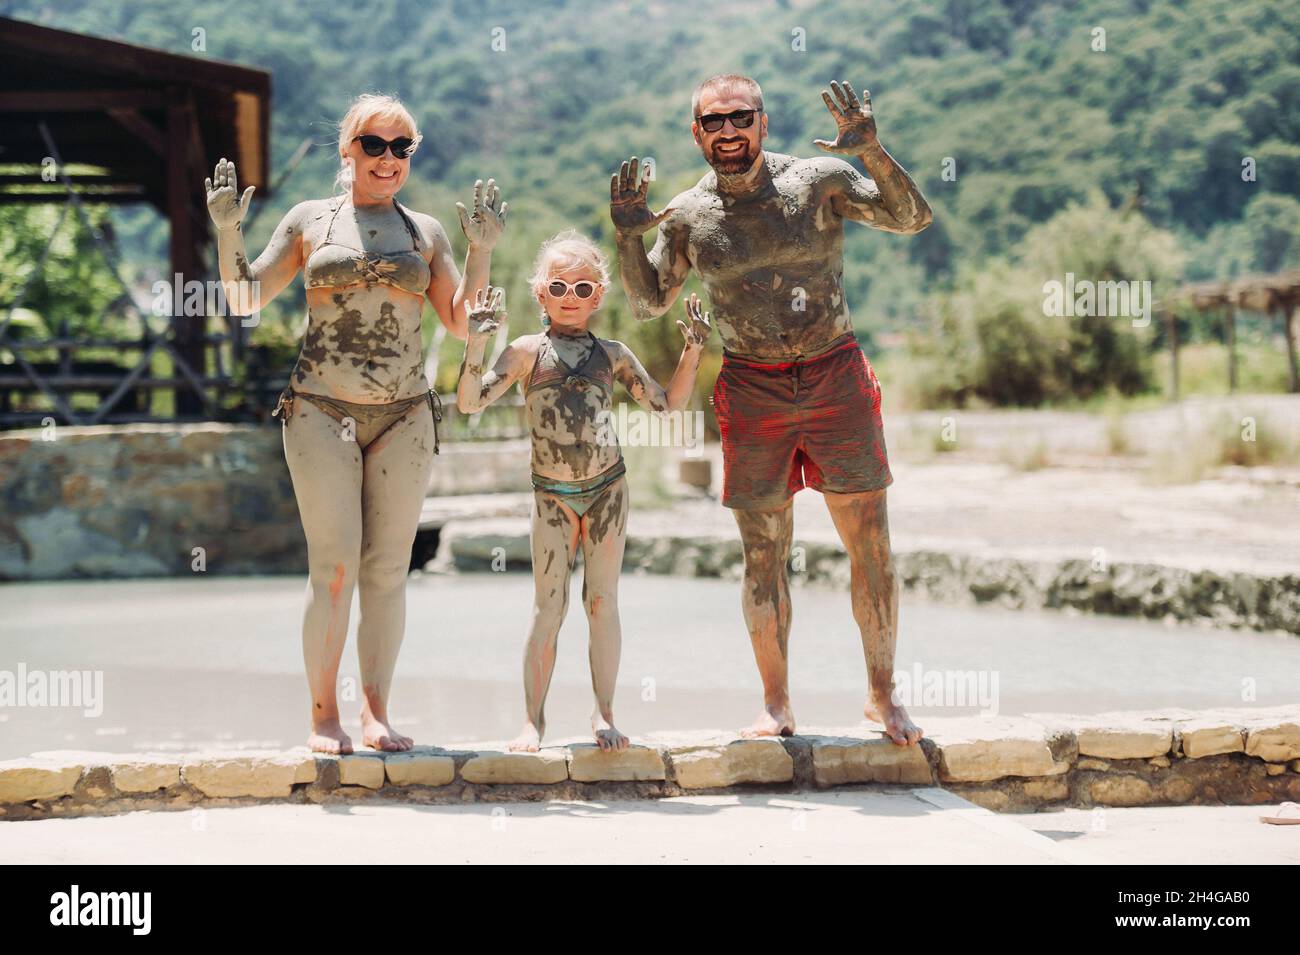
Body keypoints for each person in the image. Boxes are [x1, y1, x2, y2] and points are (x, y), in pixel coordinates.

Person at [610, 74, 932, 744]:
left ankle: (882, 695)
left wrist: (871, 151)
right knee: (763, 552)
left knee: (869, 542)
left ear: (762, 119)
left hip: (834, 372)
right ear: (696, 134)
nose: (728, 132)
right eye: (713, 122)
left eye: (740, 117)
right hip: (752, 385)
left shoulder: (817, 180)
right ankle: (776, 703)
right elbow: (647, 303)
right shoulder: (689, 216)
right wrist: (623, 237)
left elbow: (910, 218)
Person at [205, 93, 506, 754]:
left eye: (402, 147)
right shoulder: (309, 220)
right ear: (349, 149)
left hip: (404, 415)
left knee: (387, 570)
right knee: (335, 568)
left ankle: (376, 712)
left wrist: (481, 250)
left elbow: (459, 319)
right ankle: (322, 716)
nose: (389, 158)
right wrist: (228, 231)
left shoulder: (425, 231)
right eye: (376, 144)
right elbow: (246, 295)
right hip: (320, 407)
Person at [456, 231, 711, 751]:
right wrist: (477, 343)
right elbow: (468, 403)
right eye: (558, 285)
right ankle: (533, 721)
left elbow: (666, 407)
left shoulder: (612, 355)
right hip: (551, 495)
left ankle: (604, 713)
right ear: (540, 294)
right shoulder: (526, 353)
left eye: (581, 287)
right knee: (548, 607)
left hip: (605, 491)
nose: (569, 296)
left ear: (598, 296)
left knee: (602, 602)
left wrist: (692, 352)